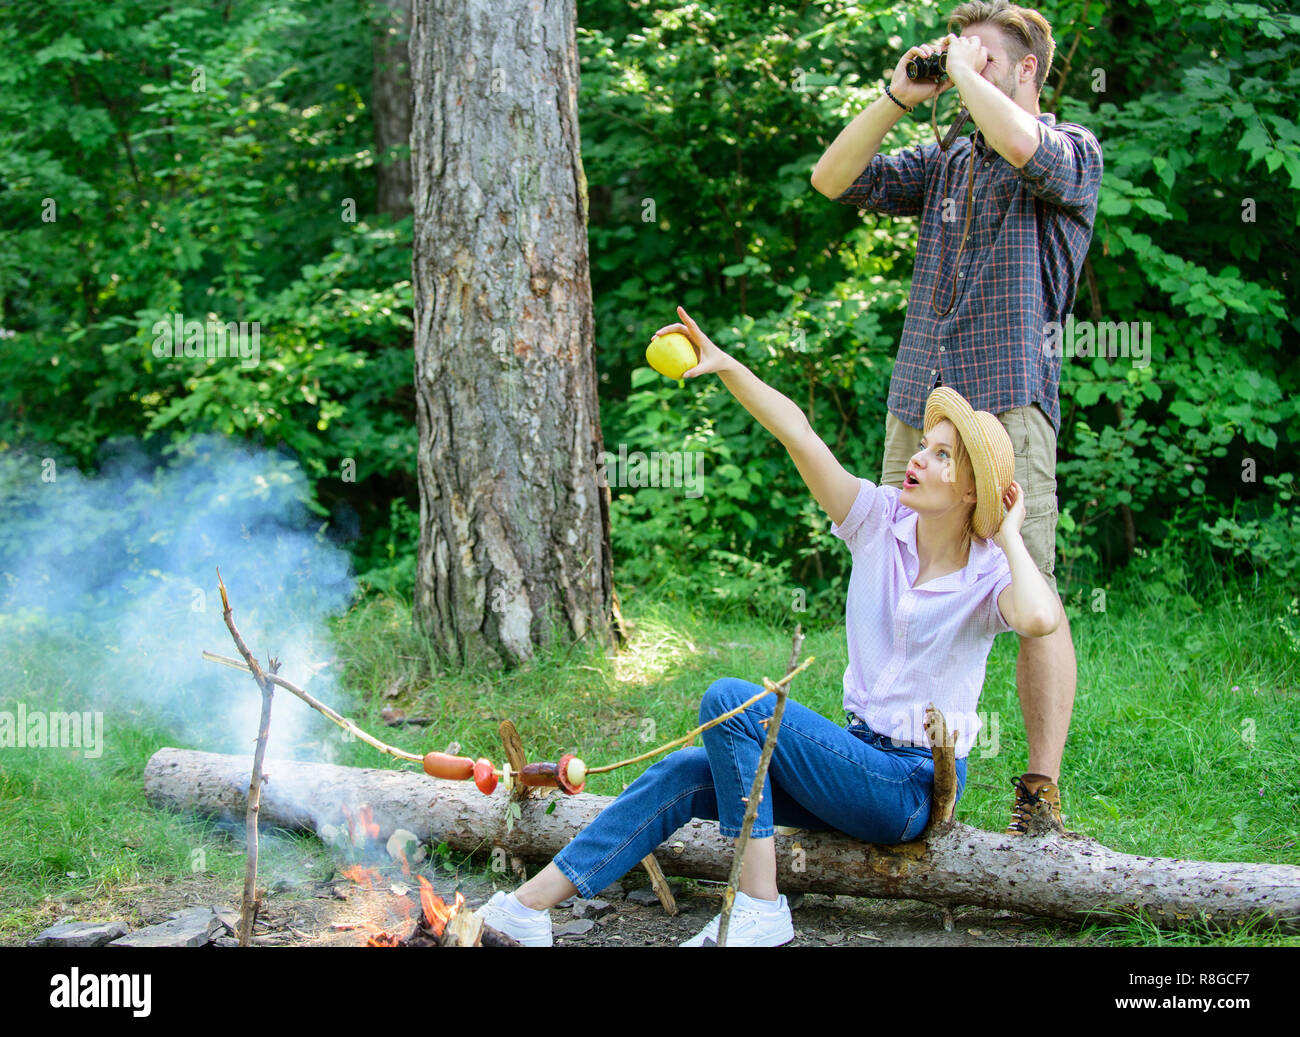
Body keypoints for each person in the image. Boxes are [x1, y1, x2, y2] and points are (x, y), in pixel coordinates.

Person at [476, 306, 1060, 946]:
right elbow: (801, 437)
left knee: (731, 701)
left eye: (943, 455)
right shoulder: (876, 522)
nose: (919, 457)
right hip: (854, 761)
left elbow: (1039, 619)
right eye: (925, 444)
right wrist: (726, 366)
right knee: (683, 773)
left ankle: (758, 909)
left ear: (974, 490)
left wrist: (1007, 534)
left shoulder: (986, 575)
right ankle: (529, 910)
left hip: (906, 791)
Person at [810, 0, 1104, 833]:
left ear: (1025, 72)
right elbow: (832, 179)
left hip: (1007, 406)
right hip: (920, 405)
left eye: (980, 59)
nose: (960, 70)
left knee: (1029, 596)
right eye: (956, 58)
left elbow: (1019, 142)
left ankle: (1039, 794)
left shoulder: (1071, 152)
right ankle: (886, 749)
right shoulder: (947, 163)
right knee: (899, 571)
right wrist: (899, 94)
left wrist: (967, 74)